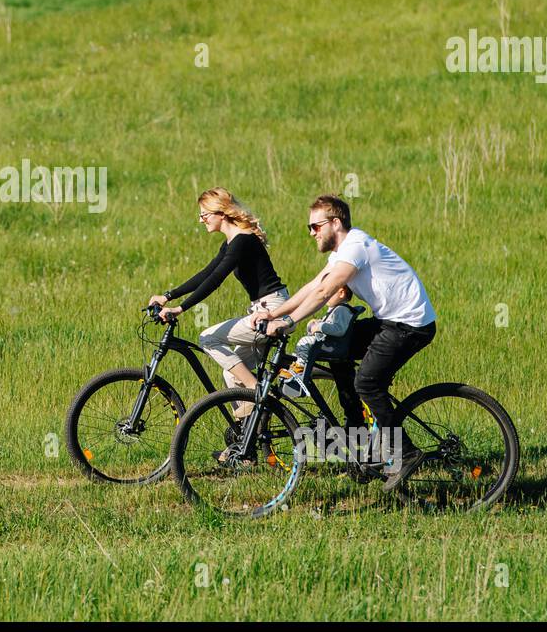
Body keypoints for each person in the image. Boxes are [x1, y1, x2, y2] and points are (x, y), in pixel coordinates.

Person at [253, 194, 436, 490]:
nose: (311, 233)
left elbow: (325, 292)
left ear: (335, 223)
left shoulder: (356, 247)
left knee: (367, 384)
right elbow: (313, 286)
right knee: (336, 352)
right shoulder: (340, 254)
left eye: (315, 226)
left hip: (411, 325)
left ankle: (406, 452)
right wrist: (273, 312)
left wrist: (287, 323)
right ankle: (358, 435)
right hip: (390, 321)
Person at [148, 187, 289, 418]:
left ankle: (259, 392)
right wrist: (168, 296)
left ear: (220, 213)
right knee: (232, 375)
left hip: (272, 311)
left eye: (205, 214)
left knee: (208, 338)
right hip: (262, 310)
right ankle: (244, 448)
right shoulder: (232, 242)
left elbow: (215, 280)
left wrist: (180, 308)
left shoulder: (242, 241)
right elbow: (206, 273)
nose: (201, 220)